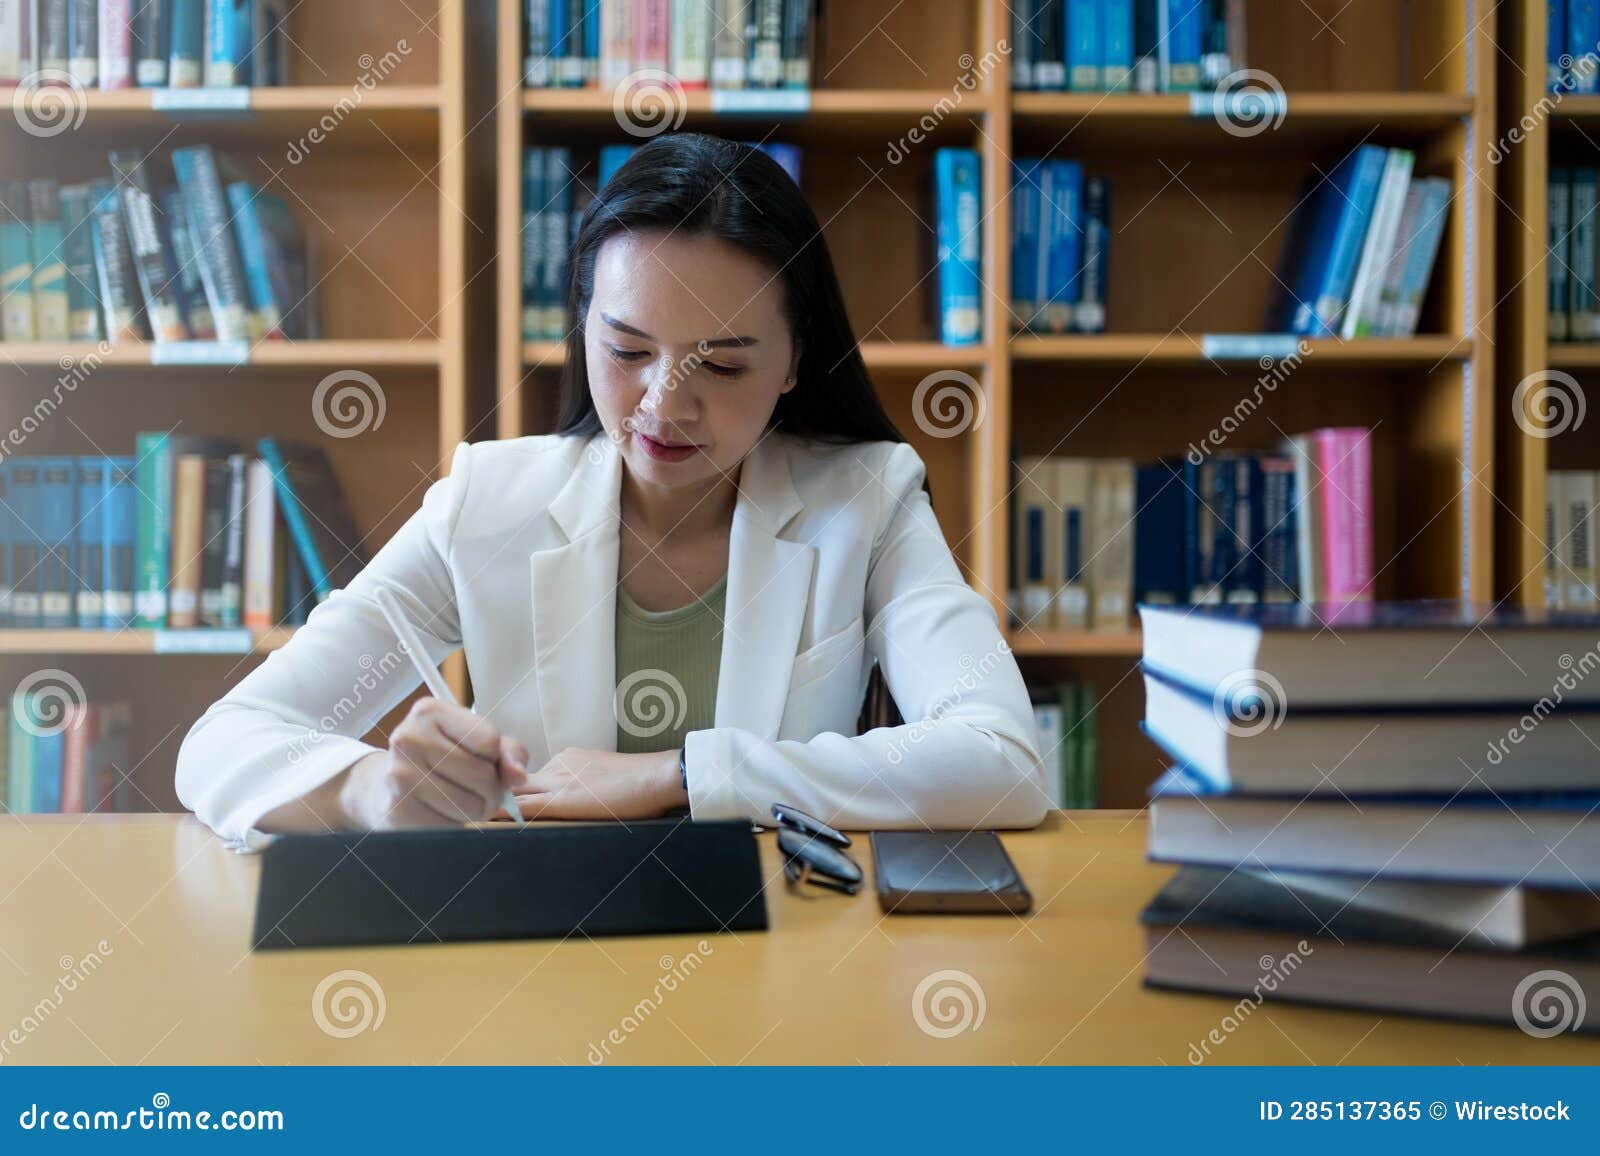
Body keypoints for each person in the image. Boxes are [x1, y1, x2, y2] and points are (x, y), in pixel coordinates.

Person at [176, 133, 1047, 850]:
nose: (665, 405)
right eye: (628, 351)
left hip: (776, 963)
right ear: (582, 325)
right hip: (538, 972)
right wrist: (372, 792)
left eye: (724, 362)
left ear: (792, 362)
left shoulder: (867, 498)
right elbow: (221, 745)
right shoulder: (488, 501)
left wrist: (680, 773)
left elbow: (1004, 755)